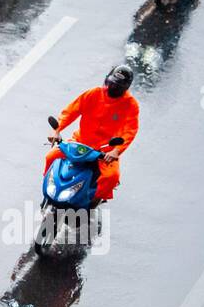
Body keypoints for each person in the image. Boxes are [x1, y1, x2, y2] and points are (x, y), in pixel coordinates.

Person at [45, 64, 139, 203]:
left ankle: (94, 201)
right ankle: (48, 186)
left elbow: (130, 131)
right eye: (111, 83)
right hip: (80, 142)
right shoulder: (93, 94)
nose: (111, 87)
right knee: (51, 156)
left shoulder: (131, 105)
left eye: (116, 86)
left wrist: (116, 151)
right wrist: (57, 130)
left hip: (105, 151)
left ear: (124, 89)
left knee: (111, 177)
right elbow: (70, 112)